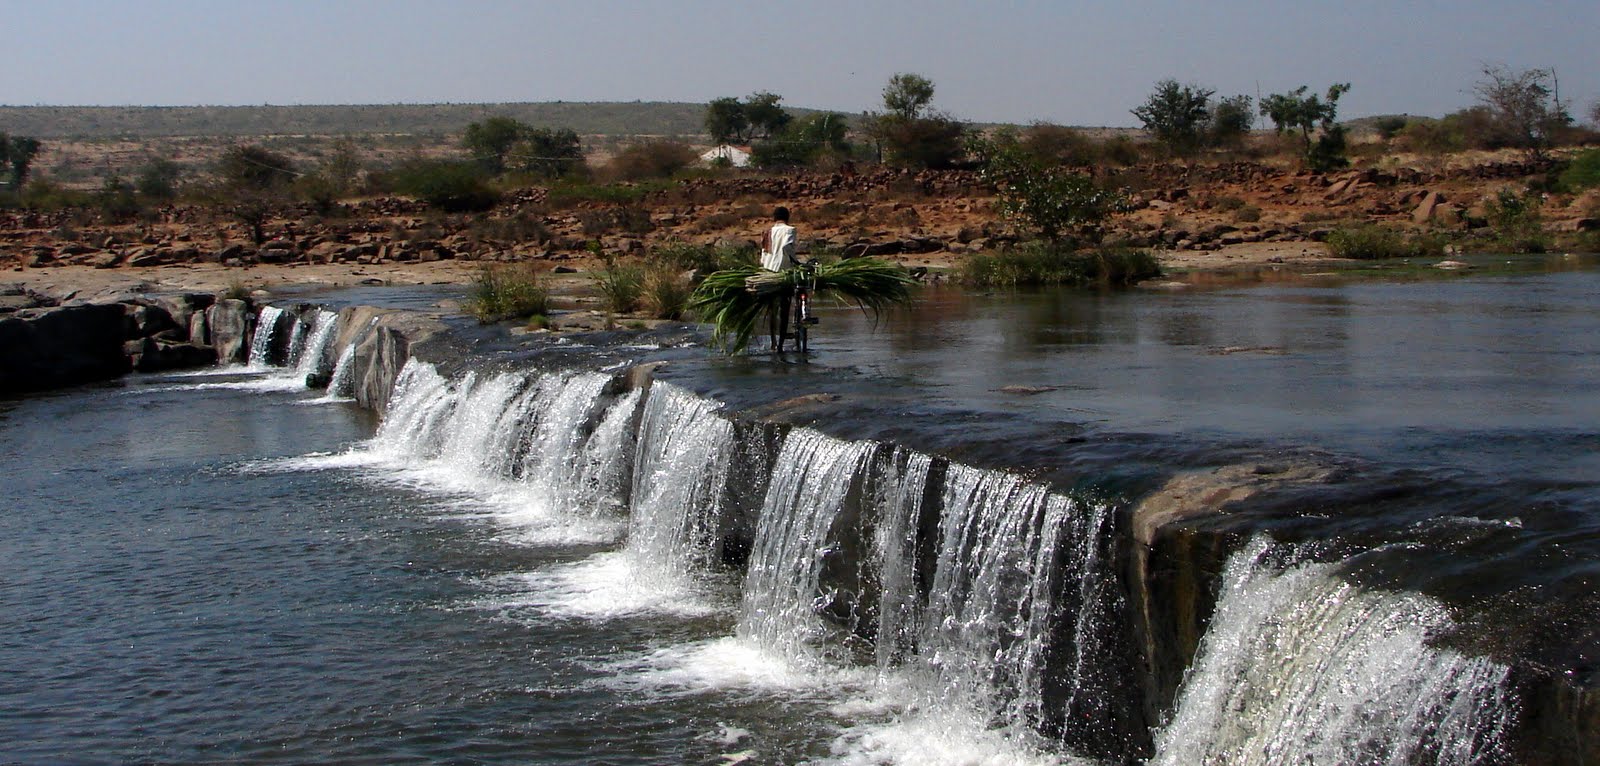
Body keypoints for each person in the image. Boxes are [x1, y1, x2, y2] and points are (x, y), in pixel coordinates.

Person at [760, 206, 798, 351]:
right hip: (783, 273)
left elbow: (763, 255)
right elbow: (787, 248)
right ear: (787, 217)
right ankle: (781, 343)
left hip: (768, 272)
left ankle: (773, 342)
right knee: (785, 308)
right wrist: (796, 263)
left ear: (774, 218)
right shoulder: (790, 230)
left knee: (772, 309)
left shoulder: (767, 232)